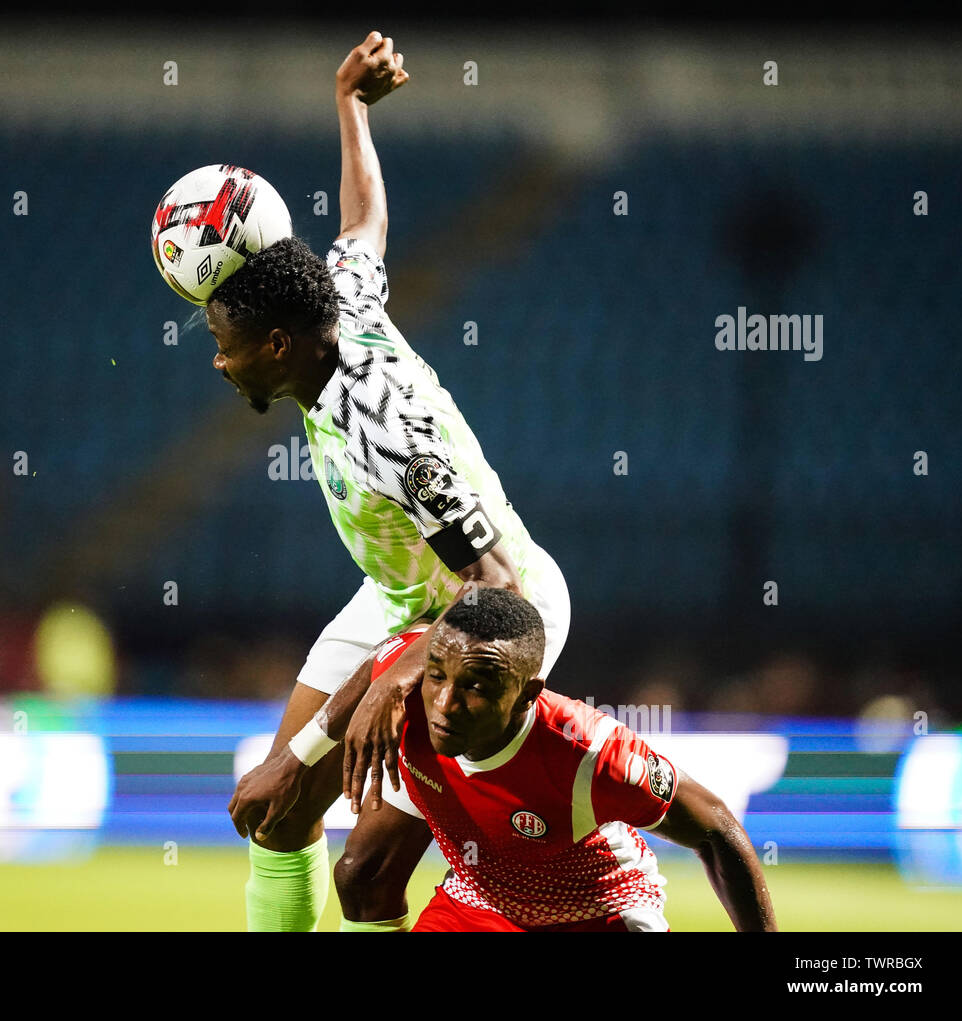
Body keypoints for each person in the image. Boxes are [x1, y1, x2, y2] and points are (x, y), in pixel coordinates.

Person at [212, 31, 570, 931]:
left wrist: (378, 692)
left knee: (364, 872)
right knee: (275, 815)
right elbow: (361, 225)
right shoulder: (341, 303)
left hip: (488, 622)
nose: (219, 362)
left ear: (279, 347)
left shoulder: (391, 432)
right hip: (403, 598)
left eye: (226, 344)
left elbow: (496, 593)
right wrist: (351, 107)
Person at [321, 587, 777, 931]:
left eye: (477, 686)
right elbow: (387, 659)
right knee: (358, 873)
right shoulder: (400, 691)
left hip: (597, 909)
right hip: (480, 901)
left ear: (526, 695)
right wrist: (293, 760)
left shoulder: (590, 753)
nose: (445, 703)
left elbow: (716, 828)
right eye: (435, 675)